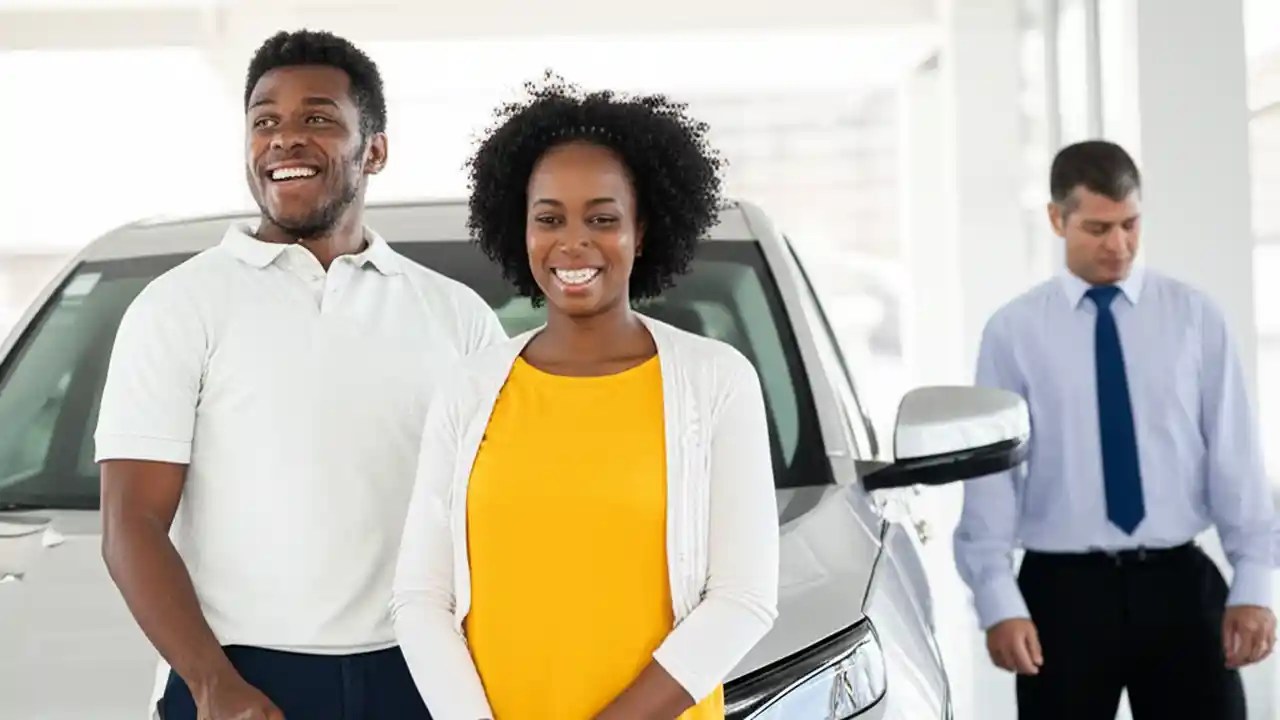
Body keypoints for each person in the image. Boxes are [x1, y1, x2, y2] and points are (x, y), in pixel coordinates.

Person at [95, 30, 505, 720]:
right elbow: (130, 521)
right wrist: (210, 683)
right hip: (243, 675)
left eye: (317, 118)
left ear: (373, 149)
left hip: (424, 671)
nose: (284, 138)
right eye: (265, 121)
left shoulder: (456, 316)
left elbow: (501, 512)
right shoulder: (178, 306)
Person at [390, 76, 780, 720]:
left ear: (642, 230)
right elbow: (421, 597)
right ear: (521, 229)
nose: (573, 242)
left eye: (602, 218)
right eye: (549, 219)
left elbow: (743, 599)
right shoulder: (469, 388)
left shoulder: (716, 381)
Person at [954, 139, 1276, 719]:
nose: (1119, 245)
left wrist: (1253, 583)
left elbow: (1236, 456)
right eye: (1098, 228)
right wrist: (998, 600)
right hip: (1062, 596)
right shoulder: (1014, 332)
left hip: (1180, 584)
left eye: (1131, 224)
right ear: (1057, 219)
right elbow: (991, 478)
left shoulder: (1195, 318)